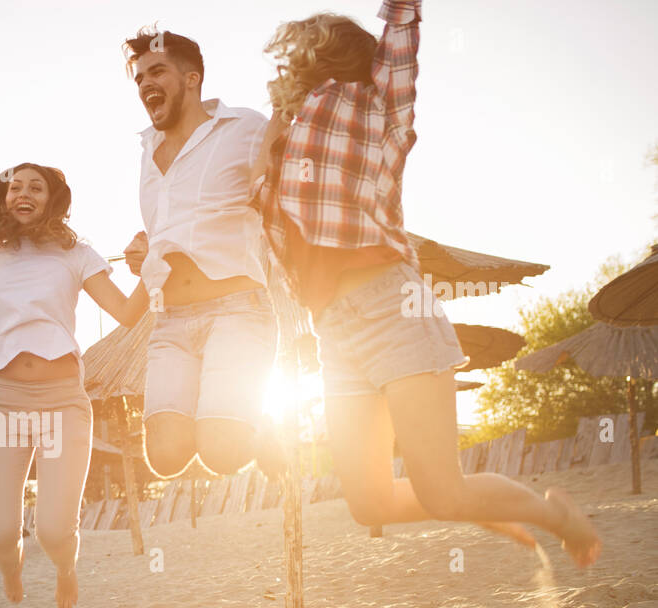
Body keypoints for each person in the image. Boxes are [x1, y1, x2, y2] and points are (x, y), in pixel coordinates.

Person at [251, 0, 600, 567]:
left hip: (392, 312)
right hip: (334, 335)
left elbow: (401, 33)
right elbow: (258, 203)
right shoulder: (284, 139)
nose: (291, 64)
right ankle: (471, 503)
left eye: (301, 55)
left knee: (443, 488)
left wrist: (398, 17)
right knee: (368, 503)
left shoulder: (375, 106)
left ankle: (548, 511)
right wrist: (275, 117)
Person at [0, 134, 147, 608]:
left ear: (53, 200)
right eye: (14, 187)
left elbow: (126, 312)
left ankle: (66, 568)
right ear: (3, 199)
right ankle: (10, 568)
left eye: (36, 187)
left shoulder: (77, 254)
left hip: (63, 402)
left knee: (53, 529)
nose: (23, 194)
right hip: (3, 402)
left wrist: (150, 269)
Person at [120, 27, 284, 482]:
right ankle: (238, 414)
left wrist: (284, 117)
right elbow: (171, 230)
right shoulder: (146, 150)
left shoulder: (246, 127)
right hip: (170, 319)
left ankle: (261, 423)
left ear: (191, 78)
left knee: (223, 454)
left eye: (157, 71)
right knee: (166, 458)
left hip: (237, 309)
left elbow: (279, 189)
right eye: (138, 78)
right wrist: (145, 252)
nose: (145, 84)